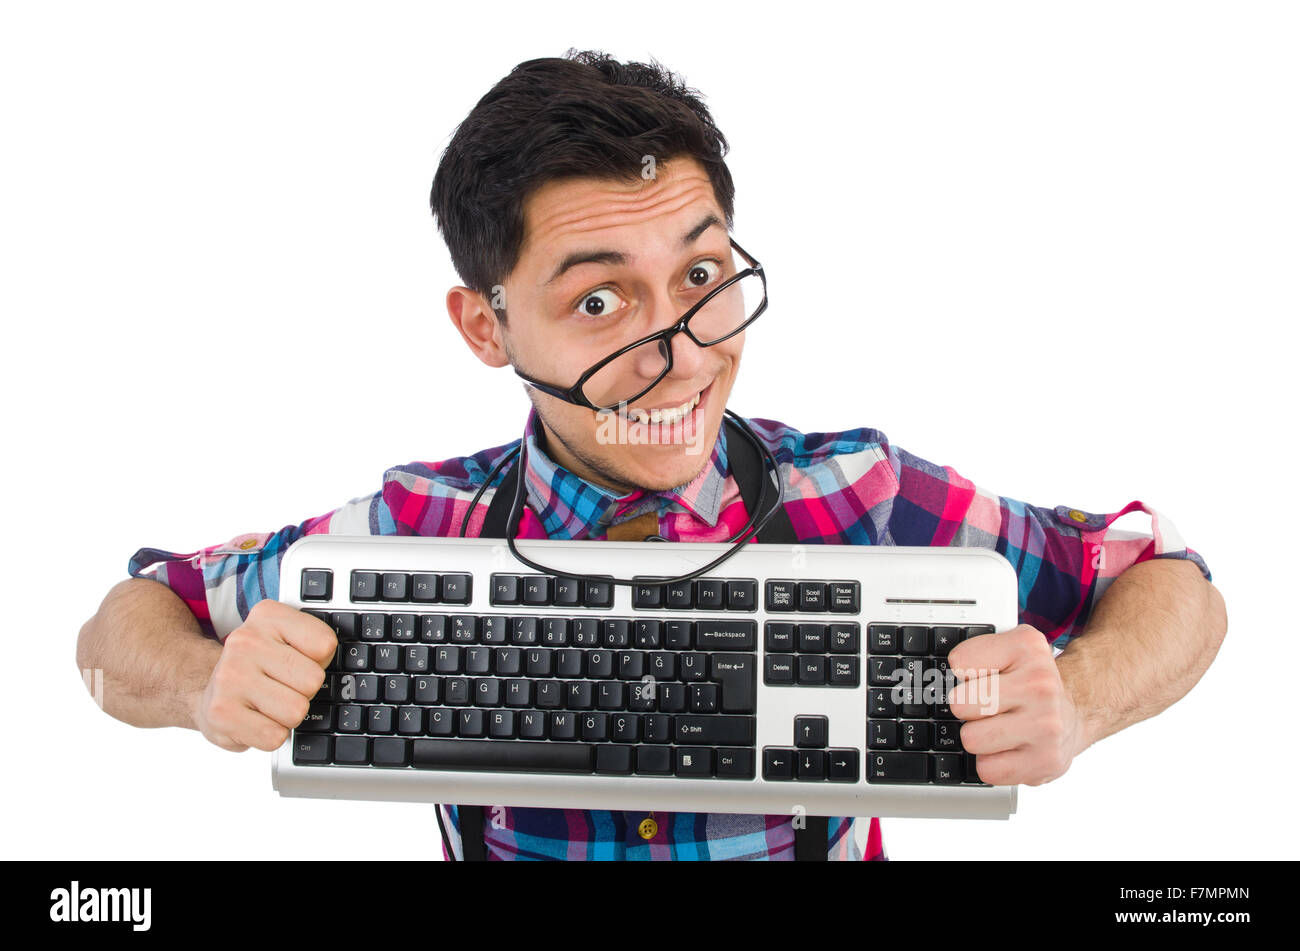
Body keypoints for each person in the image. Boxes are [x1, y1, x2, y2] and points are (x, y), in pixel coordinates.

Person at [77, 49, 1227, 861]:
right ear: (487, 327)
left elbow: (1160, 571)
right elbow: (134, 616)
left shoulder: (858, 494)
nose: (676, 360)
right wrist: (200, 685)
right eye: (595, 303)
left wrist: (1076, 701)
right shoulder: (411, 529)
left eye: (697, 279)